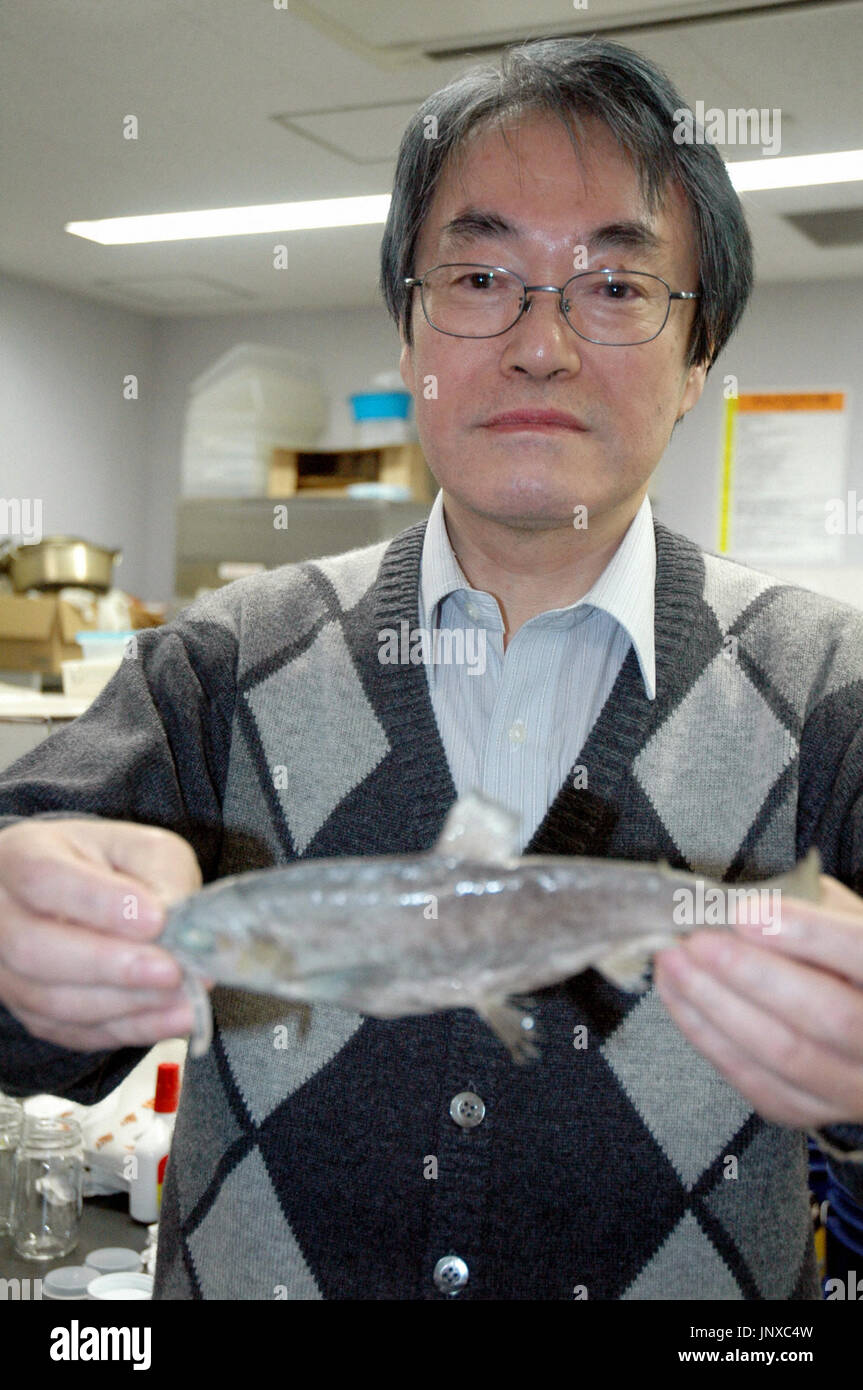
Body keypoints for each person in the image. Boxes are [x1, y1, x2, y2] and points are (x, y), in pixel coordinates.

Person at [1, 36, 862, 1301]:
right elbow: (23, 1024)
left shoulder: (832, 688)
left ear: (698, 362)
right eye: (477, 275)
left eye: (615, 289)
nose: (539, 344)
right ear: (409, 328)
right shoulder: (213, 666)